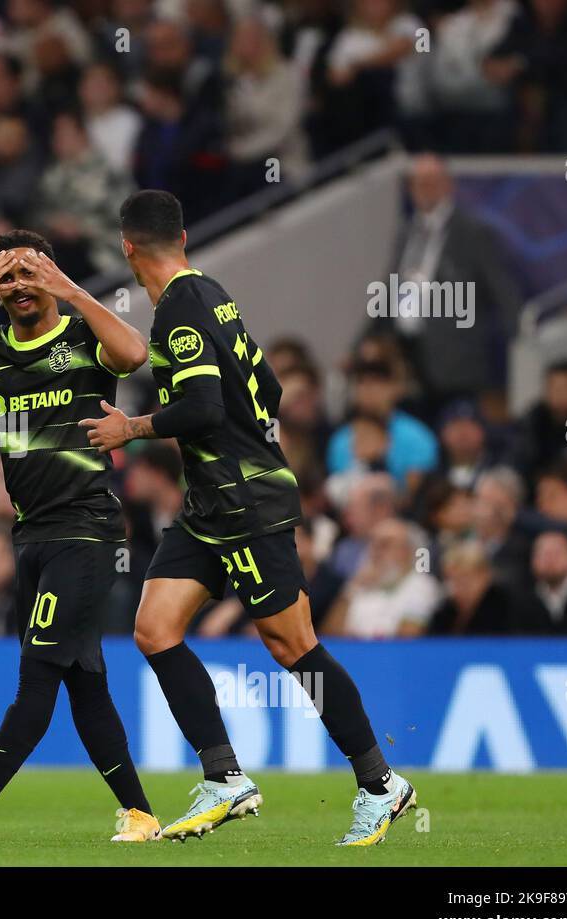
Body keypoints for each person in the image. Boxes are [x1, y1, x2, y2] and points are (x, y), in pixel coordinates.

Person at [82, 190, 416, 846]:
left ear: (127, 248)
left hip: (244, 501)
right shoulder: (213, 292)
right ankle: (225, 777)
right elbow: (267, 384)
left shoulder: (177, 308)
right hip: (211, 503)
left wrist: (134, 427)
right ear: (182, 238)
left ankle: (381, 783)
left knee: (294, 646)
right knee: (154, 628)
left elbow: (204, 406)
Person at [0, 229, 159, 842]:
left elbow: (133, 355)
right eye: (7, 277)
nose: (19, 287)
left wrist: (69, 290)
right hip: (30, 533)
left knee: (38, 674)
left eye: (28, 274)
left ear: (49, 276)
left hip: (86, 527)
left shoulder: (80, 336)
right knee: (85, 683)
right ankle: (140, 814)